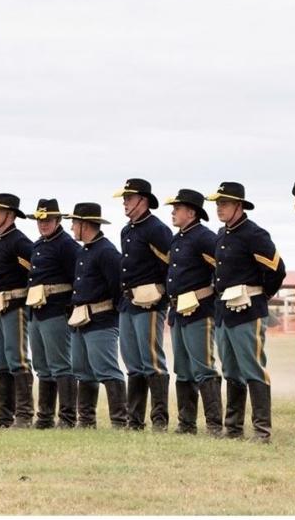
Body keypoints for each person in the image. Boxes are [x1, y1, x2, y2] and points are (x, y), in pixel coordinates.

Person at [207, 182, 286, 442]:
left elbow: (277, 270)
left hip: (247, 311)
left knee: (252, 368)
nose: (220, 208)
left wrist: (260, 295)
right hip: (223, 311)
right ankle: (234, 429)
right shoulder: (222, 234)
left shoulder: (254, 234)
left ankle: (262, 431)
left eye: (225, 204)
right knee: (230, 369)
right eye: (218, 204)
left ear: (239, 206)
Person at [112, 178, 174, 431]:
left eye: (129, 198)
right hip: (128, 303)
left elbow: (172, 264)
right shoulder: (127, 230)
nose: (125, 203)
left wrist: (163, 294)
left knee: (152, 361)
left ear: (143, 200)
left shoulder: (156, 229)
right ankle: (134, 420)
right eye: (124, 198)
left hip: (150, 303)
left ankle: (159, 420)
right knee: (133, 362)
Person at [163, 189, 222, 436]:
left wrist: (210, 294)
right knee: (183, 369)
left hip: (199, 312)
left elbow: (222, 267)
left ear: (191, 212)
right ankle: (186, 424)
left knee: (203, 367)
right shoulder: (178, 239)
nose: (173, 212)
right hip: (178, 312)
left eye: (177, 208)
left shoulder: (204, 237)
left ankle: (214, 425)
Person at [65, 203, 128, 428]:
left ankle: (120, 421)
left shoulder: (106, 252)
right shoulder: (84, 250)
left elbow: (118, 288)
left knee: (107, 369)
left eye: (74, 223)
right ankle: (86, 420)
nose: (72, 227)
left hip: (101, 320)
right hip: (80, 320)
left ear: (84, 224)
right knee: (82, 370)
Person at [24, 199, 79, 429]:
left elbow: (76, 277)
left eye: (47, 220)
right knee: (42, 365)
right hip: (36, 311)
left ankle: (66, 417)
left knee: (61, 365)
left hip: (56, 310)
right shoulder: (39, 245)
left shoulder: (66, 245)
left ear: (58, 220)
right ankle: (45, 416)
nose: (42, 224)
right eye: (40, 220)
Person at [0, 193, 35, 428]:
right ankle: (5, 416)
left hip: (15, 306)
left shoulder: (18, 241)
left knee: (18, 359)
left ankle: (24, 415)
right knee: (1, 360)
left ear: (10, 214)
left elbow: (36, 270)